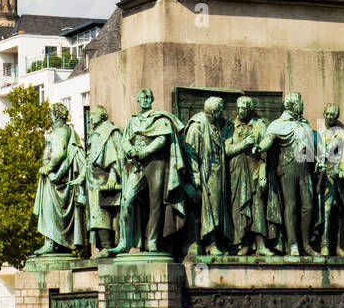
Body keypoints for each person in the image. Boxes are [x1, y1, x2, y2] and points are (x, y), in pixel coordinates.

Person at [109, 88, 186, 255]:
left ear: (152, 99)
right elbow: (125, 140)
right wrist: (130, 150)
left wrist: (145, 152)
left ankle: (152, 241)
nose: (145, 100)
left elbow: (162, 139)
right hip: (136, 164)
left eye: (148, 97)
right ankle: (124, 242)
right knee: (126, 200)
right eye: (142, 97)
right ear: (137, 99)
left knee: (155, 203)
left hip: (155, 162)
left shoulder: (160, 118)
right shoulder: (133, 121)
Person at [257, 91, 315, 256]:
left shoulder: (305, 123)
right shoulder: (278, 123)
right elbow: (269, 139)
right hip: (288, 167)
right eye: (301, 103)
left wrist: (317, 160)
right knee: (290, 206)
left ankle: (306, 244)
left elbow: (310, 147)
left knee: (308, 206)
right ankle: (293, 244)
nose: (303, 106)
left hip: (304, 168)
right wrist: (259, 147)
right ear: (294, 105)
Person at [32, 102, 87, 254]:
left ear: (56, 115)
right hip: (64, 177)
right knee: (56, 212)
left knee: (49, 208)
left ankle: (49, 243)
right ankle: (60, 244)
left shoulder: (59, 132)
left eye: (51, 114)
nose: (50, 117)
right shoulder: (70, 131)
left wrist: (48, 168)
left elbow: (59, 153)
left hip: (55, 179)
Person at [183, 96, 233, 256]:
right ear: (214, 112)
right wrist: (195, 176)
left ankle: (218, 241)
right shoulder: (197, 125)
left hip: (218, 172)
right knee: (208, 210)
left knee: (218, 209)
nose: (223, 113)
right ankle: (210, 244)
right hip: (205, 174)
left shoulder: (217, 124)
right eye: (220, 110)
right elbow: (190, 152)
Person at [225, 95, 270, 255]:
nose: (241, 111)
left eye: (244, 108)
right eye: (239, 108)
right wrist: (242, 144)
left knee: (258, 206)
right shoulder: (230, 126)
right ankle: (243, 243)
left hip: (255, 171)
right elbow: (226, 150)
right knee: (239, 208)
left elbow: (266, 153)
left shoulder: (259, 125)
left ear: (250, 109)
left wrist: (263, 174)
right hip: (237, 173)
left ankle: (261, 244)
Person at [84, 105, 124, 254]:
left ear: (102, 115)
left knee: (102, 213)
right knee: (94, 216)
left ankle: (107, 246)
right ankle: (101, 247)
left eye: (94, 114)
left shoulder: (109, 131)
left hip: (103, 178)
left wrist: (113, 176)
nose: (91, 117)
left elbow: (115, 155)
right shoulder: (94, 133)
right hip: (92, 180)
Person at [315, 103, 344, 256]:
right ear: (324, 114)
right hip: (324, 178)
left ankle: (339, 247)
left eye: (333, 115)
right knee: (326, 211)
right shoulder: (318, 133)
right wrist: (318, 164)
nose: (330, 117)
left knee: (340, 214)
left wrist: (343, 169)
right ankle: (324, 245)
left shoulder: (343, 134)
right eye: (328, 114)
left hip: (338, 178)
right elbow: (314, 155)